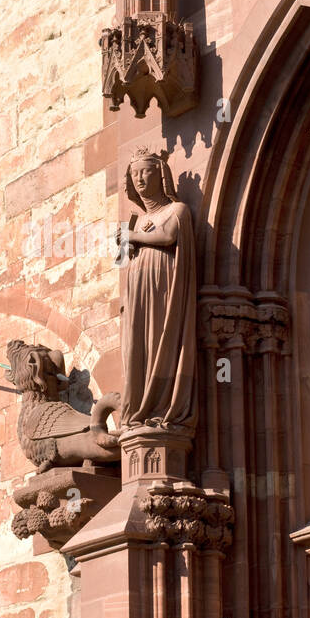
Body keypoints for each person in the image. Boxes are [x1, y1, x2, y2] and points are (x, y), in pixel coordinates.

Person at [117, 149, 196, 435]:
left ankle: (160, 408)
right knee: (136, 348)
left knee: (158, 343)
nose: (139, 178)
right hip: (137, 291)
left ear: (160, 174)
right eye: (134, 173)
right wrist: (124, 241)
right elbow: (122, 261)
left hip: (163, 290)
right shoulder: (133, 220)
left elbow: (167, 236)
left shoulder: (177, 210)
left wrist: (132, 236)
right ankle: (135, 411)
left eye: (145, 171)